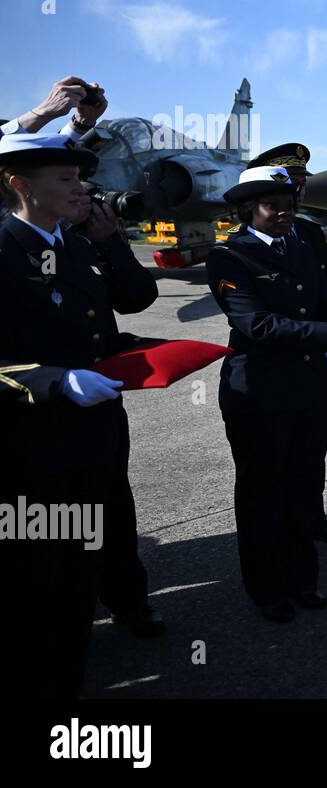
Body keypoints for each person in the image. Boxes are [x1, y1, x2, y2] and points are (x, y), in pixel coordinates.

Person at [0, 132, 138, 695]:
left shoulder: (78, 246)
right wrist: (56, 381)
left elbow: (106, 323)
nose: (79, 187)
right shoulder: (4, 249)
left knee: (82, 572)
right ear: (20, 185)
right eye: (65, 178)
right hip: (34, 451)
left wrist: (147, 352)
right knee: (39, 582)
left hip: (94, 441)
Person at [207, 166, 327, 621]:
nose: (284, 211)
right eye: (271, 205)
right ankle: (266, 589)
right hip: (258, 391)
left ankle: (304, 578)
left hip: (307, 387)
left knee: (303, 484)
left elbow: (322, 301)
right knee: (263, 493)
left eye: (289, 203)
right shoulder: (229, 256)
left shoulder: (299, 244)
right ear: (248, 210)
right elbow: (256, 325)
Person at [66, 183, 166, 637]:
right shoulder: (15, 246)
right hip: (39, 412)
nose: (84, 198)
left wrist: (111, 243)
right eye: (70, 184)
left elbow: (137, 297)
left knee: (114, 511)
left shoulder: (85, 244)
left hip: (101, 406)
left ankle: (128, 602)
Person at [244, 142, 327, 543]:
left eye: (302, 183)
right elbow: (259, 319)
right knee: (275, 456)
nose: (300, 190)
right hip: (274, 364)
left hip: (317, 357)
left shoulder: (307, 231)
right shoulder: (242, 246)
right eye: (292, 182)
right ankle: (280, 530)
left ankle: (311, 516)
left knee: (312, 447)